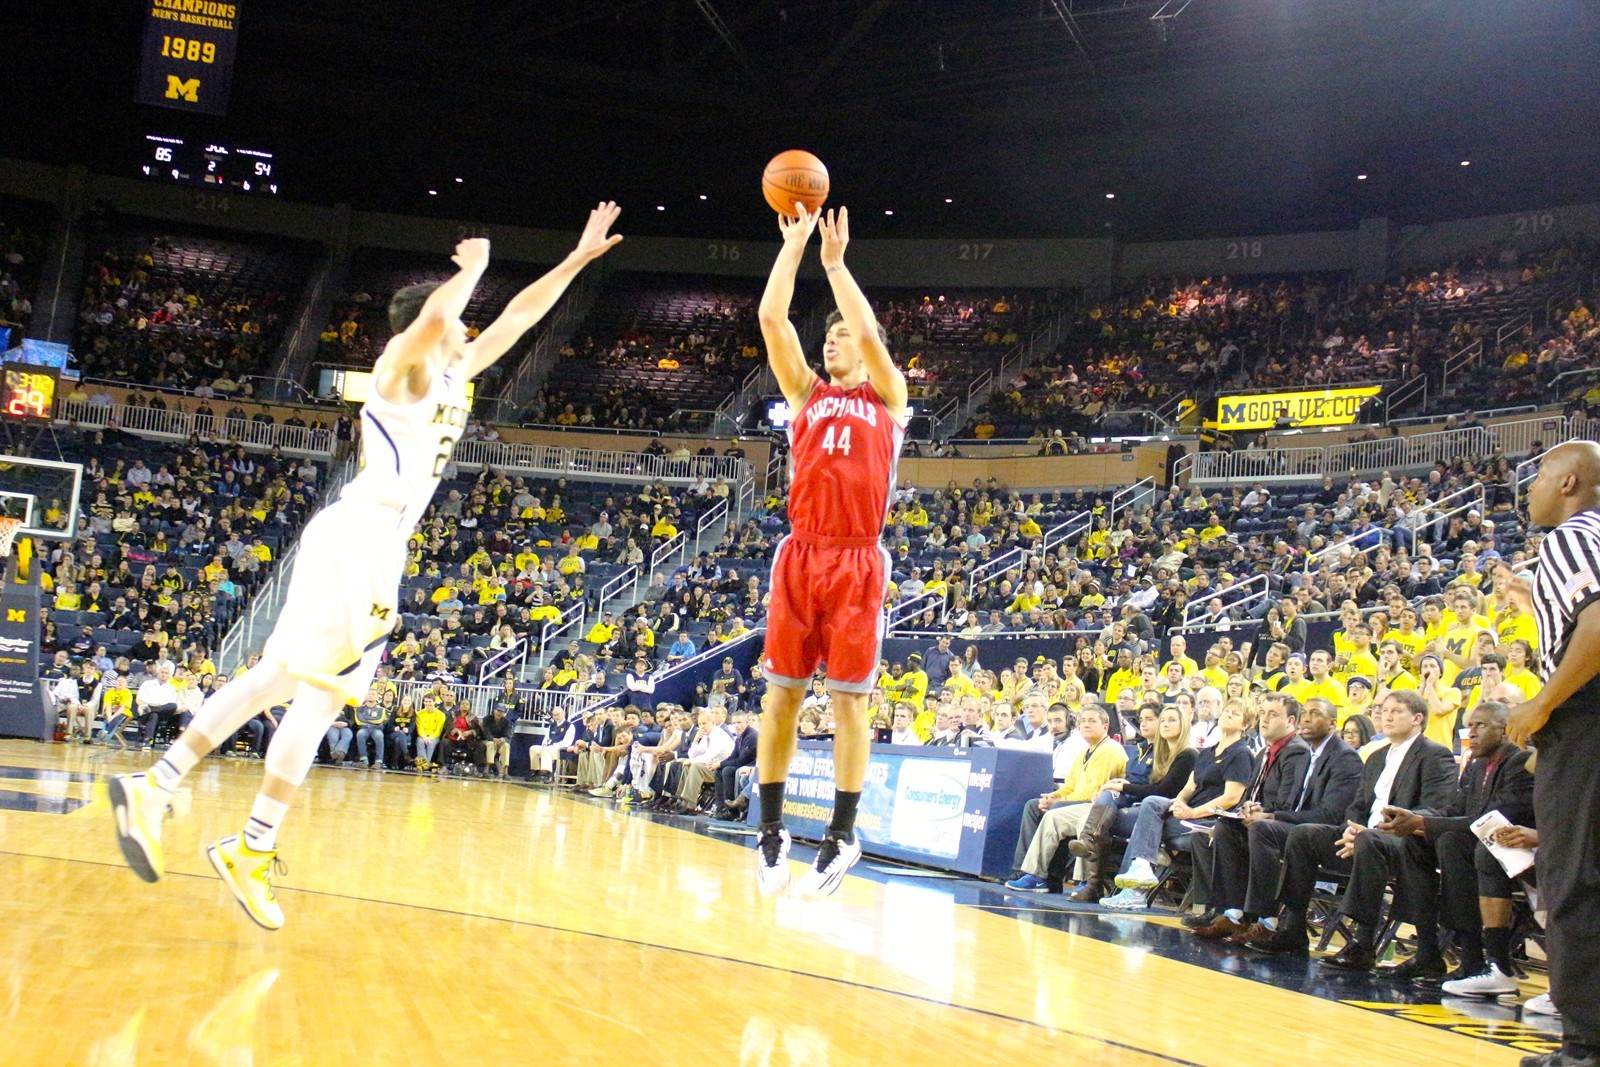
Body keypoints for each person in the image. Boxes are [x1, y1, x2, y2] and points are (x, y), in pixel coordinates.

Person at [108, 206, 625, 930]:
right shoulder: (397, 374)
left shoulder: (453, 374)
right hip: (365, 539)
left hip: (355, 537)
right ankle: (250, 845)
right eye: (458, 320)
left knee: (276, 679)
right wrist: (471, 269)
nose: (469, 328)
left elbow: (519, 317)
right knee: (320, 699)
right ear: (432, 327)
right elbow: (434, 320)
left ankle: (156, 785)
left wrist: (576, 258)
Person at [751, 204, 909, 900]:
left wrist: (836, 265)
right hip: (801, 554)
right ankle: (771, 828)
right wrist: (792, 249)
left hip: (856, 559)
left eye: (844, 334)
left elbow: (869, 330)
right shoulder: (806, 392)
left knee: (849, 702)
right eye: (830, 334)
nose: (834, 340)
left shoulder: (889, 397)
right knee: (781, 696)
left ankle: (843, 832)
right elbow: (771, 319)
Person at [1500, 439, 1600, 1067]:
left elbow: (1598, 626)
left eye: (1539, 474)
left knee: (1573, 885)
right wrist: (1534, 600)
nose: (1530, 486)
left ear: (1568, 483)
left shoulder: (1570, 536)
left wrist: (1541, 704)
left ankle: (1585, 1047)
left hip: (1584, 720)